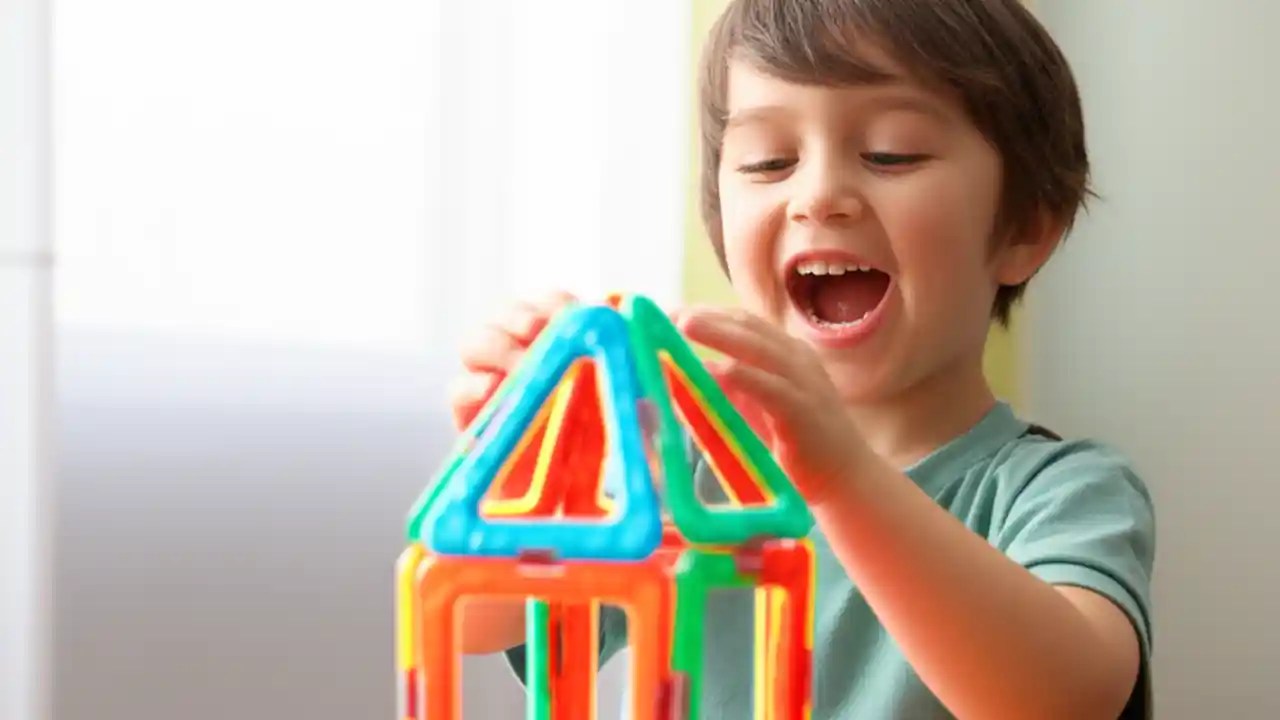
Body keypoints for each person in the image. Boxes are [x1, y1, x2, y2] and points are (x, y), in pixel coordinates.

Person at [447, 0, 1155, 717]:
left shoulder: (1061, 492)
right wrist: (526, 460)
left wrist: (842, 478)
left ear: (1025, 229)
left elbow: (1065, 701)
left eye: (891, 152)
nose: (817, 196)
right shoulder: (687, 463)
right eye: (769, 161)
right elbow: (479, 617)